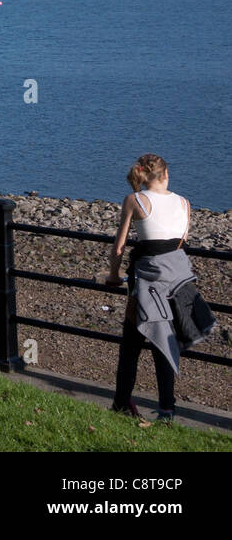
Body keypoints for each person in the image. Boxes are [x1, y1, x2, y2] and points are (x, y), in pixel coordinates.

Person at [106, 153, 193, 423]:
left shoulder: (135, 200)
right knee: (165, 345)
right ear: (166, 175)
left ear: (144, 175)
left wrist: (113, 275)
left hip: (145, 286)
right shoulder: (184, 203)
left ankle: (121, 402)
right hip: (178, 286)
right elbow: (180, 242)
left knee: (131, 346)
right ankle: (167, 409)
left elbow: (119, 247)